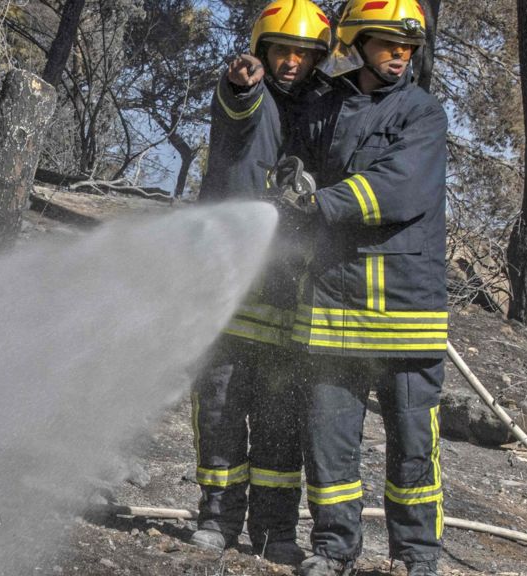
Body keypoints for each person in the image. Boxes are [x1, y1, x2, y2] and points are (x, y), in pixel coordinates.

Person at [277, 2, 448, 575]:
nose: (401, 54)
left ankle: (417, 556)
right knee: (328, 441)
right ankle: (333, 549)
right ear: (357, 41)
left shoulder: (423, 113)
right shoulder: (325, 106)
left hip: (406, 308)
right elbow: (288, 143)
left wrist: (319, 202)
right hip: (332, 304)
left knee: (412, 444)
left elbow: (400, 188)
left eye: (408, 47)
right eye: (388, 43)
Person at [190, 0, 330, 565]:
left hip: (287, 288)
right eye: (280, 51)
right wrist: (242, 85)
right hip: (226, 284)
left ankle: (275, 530)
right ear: (261, 52)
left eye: (302, 53)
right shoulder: (250, 96)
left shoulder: (326, 111)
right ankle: (216, 517)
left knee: (278, 415)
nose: (290, 62)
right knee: (221, 403)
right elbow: (236, 107)